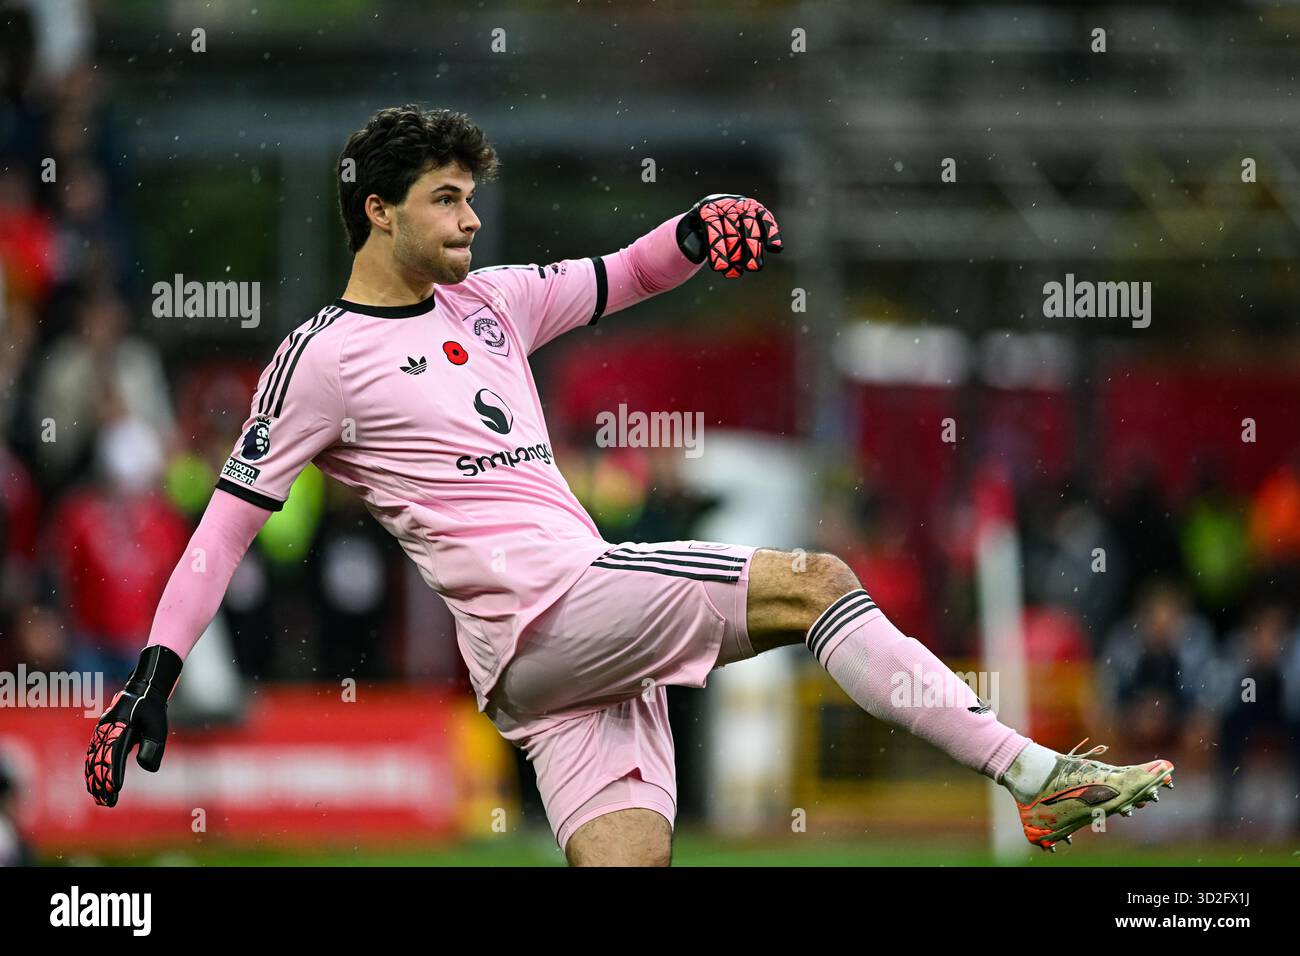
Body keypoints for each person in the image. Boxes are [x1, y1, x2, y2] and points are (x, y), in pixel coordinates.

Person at [85, 105, 1172, 865]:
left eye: (472, 198)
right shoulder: (319, 357)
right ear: (376, 211)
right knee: (815, 580)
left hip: (559, 664)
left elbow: (625, 272)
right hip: (550, 610)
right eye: (447, 199)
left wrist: (697, 230)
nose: (470, 221)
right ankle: (1031, 773)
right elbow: (223, 530)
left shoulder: (494, 303)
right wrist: (154, 671)